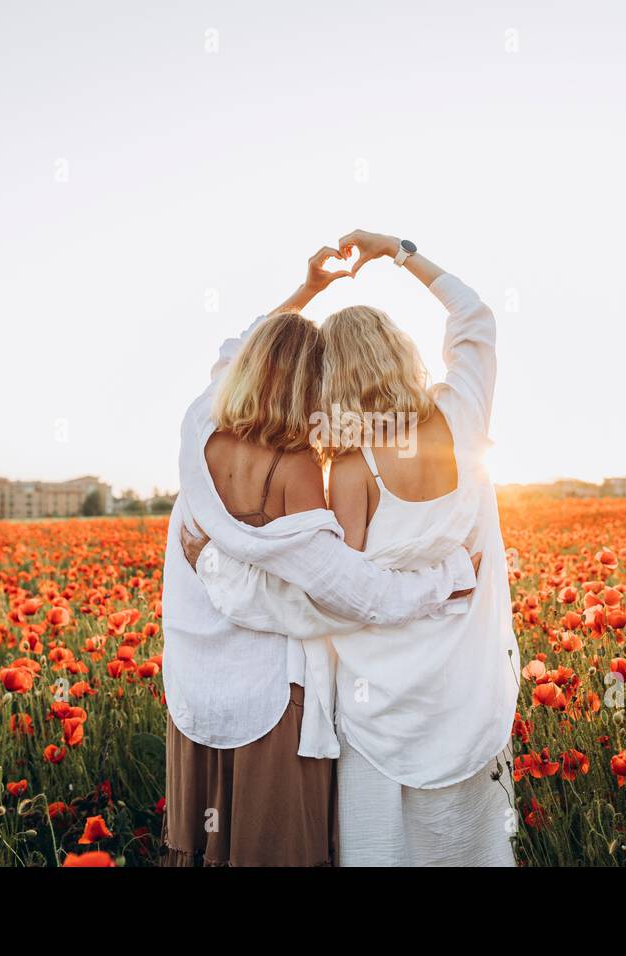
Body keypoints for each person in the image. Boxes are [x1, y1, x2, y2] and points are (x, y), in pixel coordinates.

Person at [186, 230, 520, 866]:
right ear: (403, 352)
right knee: (467, 845)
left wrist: (222, 573)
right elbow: (474, 315)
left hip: (379, 702)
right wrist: (398, 251)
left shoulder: (351, 467)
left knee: (382, 850)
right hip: (466, 686)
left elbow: (339, 599)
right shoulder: (463, 416)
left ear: (333, 375)